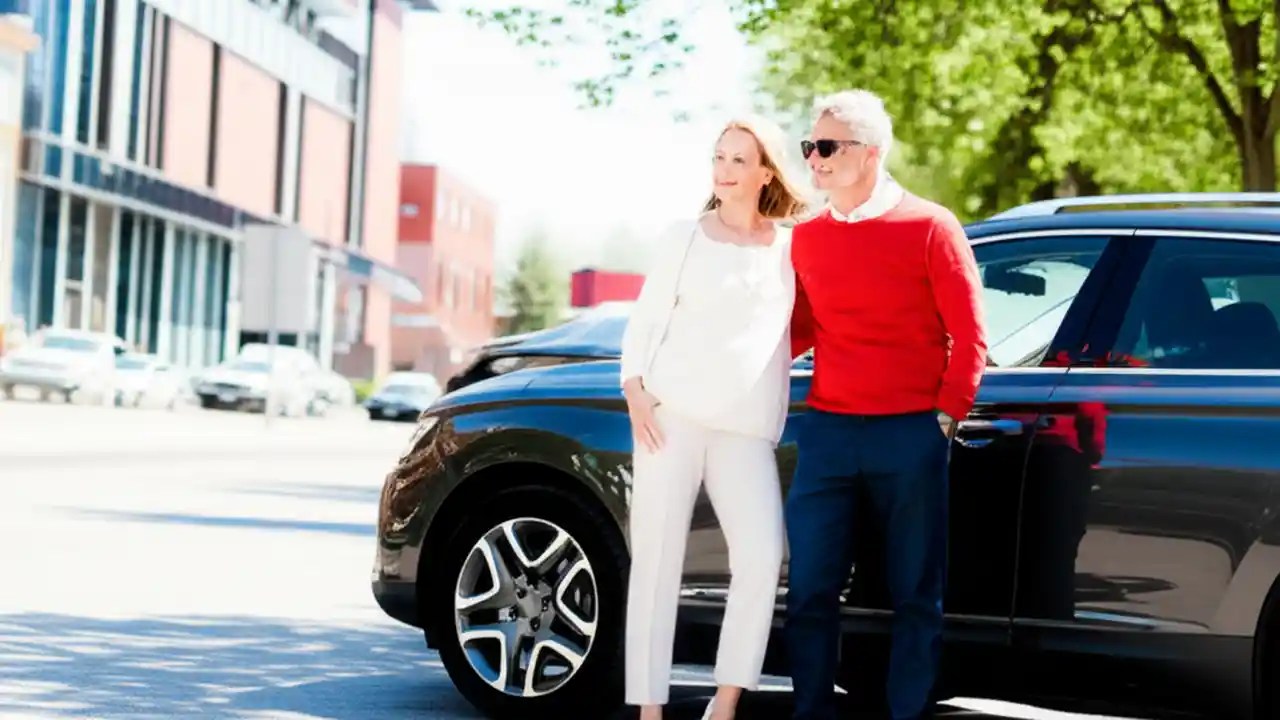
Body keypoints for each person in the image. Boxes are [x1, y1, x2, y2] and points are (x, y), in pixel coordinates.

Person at [784, 90, 988, 720]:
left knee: (915, 593)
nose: (813, 160)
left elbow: (971, 335)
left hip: (910, 435)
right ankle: (810, 711)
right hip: (828, 433)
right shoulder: (808, 239)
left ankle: (907, 714)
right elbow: (797, 331)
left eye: (826, 147)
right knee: (811, 589)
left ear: (869, 153)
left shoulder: (931, 226)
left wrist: (945, 418)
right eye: (809, 147)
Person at [620, 115, 808, 720]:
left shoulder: (789, 246)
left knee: (760, 556)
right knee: (656, 561)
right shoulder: (685, 235)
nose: (723, 172)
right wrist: (636, 393)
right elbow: (645, 321)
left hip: (746, 429)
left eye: (737, 161)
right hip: (670, 419)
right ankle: (650, 709)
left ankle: (725, 702)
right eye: (718, 158)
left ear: (764, 173)